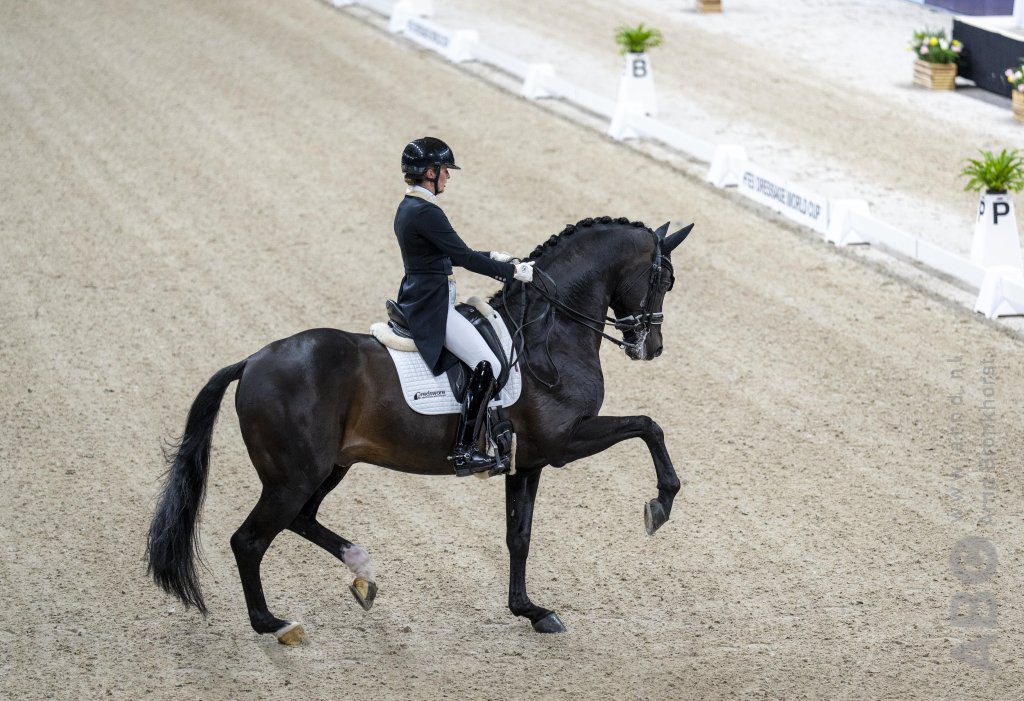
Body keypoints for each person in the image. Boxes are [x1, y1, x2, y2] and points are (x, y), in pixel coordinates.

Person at [394, 137, 534, 476]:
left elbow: (452, 251)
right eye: (444, 171)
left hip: (427, 297)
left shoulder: (410, 207)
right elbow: (462, 257)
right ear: (429, 172)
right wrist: (510, 271)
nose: (448, 177)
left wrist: (494, 257)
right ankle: (465, 449)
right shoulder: (425, 210)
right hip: (433, 307)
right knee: (488, 364)